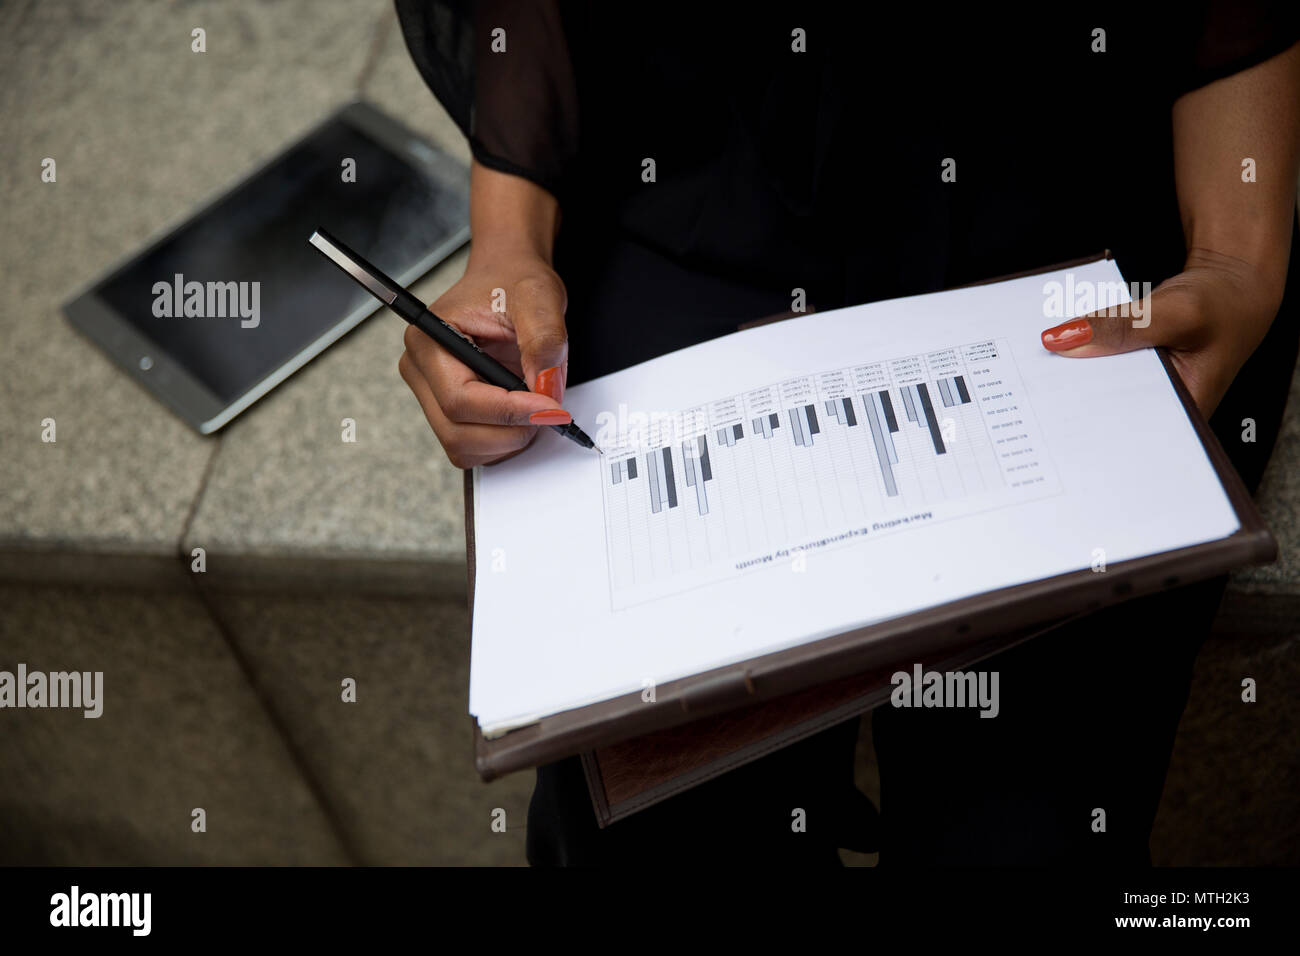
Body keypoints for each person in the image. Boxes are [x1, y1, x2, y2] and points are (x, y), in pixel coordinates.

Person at [394, 1, 1300, 865]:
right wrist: (508, 247)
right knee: (647, 829)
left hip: (1061, 188)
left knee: (1027, 840)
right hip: (699, 170)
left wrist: (1235, 256)